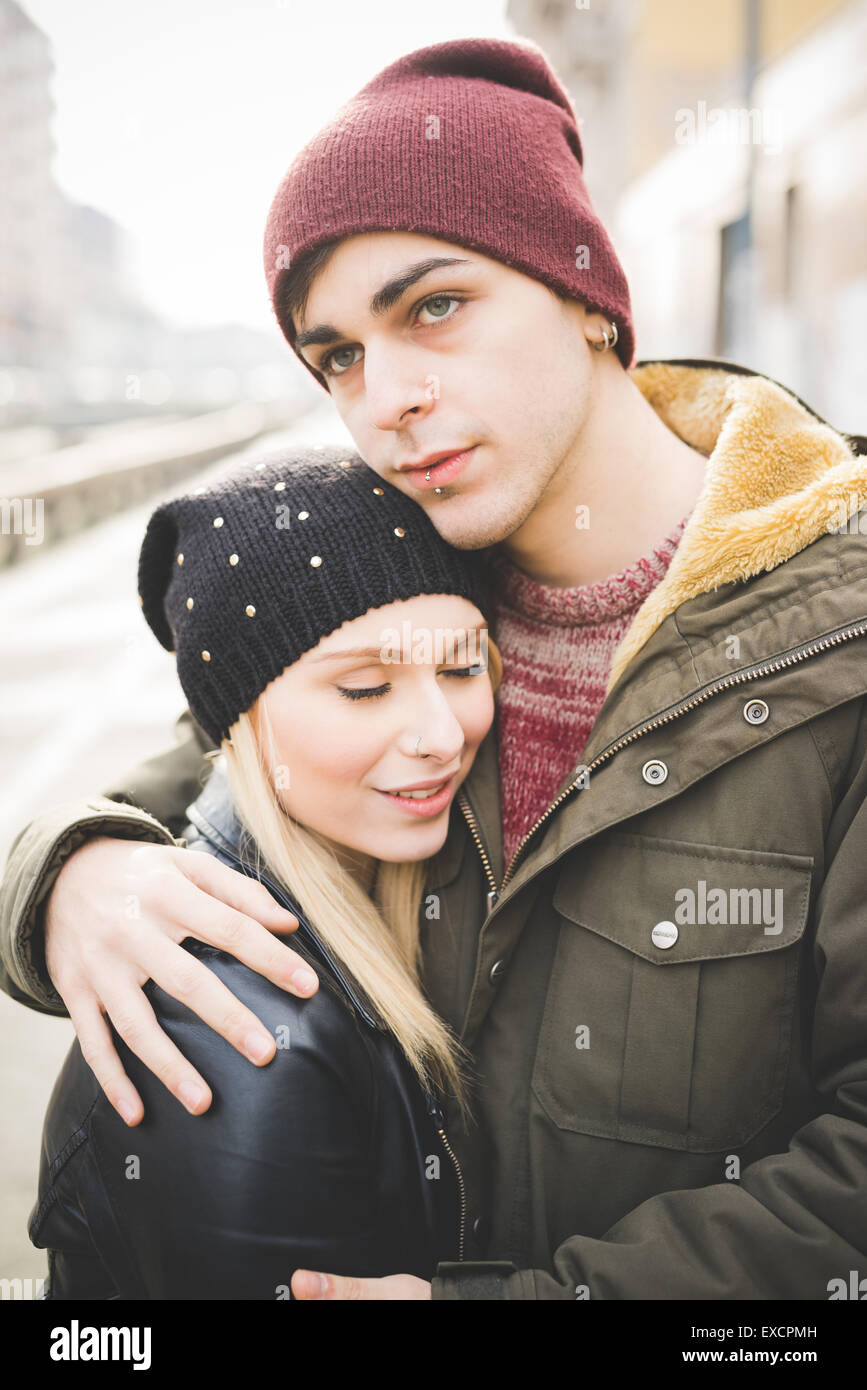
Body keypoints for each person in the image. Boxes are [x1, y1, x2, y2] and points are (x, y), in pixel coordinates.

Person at [4, 36, 867, 1300]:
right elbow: (219, 743)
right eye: (337, 354)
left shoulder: (837, 636)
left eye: (436, 306)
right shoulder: (412, 578)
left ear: (587, 298)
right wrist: (72, 871)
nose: (385, 397)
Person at [27, 447, 500, 1298]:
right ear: (237, 725)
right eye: (364, 687)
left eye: (462, 667)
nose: (441, 731)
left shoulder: (380, 879)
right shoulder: (230, 1034)